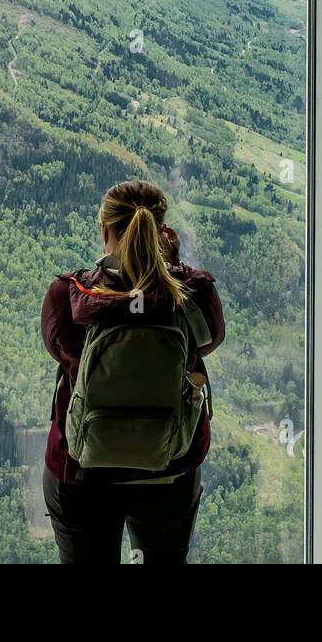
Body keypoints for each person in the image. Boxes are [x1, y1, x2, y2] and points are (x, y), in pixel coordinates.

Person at [41, 180, 224, 564]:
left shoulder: (67, 296)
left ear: (105, 229)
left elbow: (62, 352)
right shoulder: (194, 294)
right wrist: (172, 265)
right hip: (169, 470)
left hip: (81, 473)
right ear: (162, 231)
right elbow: (207, 341)